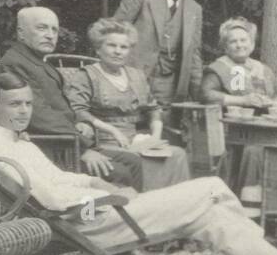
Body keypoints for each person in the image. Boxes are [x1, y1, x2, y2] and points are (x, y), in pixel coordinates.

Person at [0, 73, 277, 255]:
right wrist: (105, 193)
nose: (24, 111)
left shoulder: (13, 141)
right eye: (14, 105)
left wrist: (91, 179)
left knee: (215, 217)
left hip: (94, 213)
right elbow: (54, 201)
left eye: (27, 103)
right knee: (212, 188)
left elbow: (57, 179)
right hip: (91, 222)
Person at [0, 6, 142, 188]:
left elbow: (63, 109)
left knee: (133, 161)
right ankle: (106, 215)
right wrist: (83, 149)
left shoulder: (40, 63)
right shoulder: (14, 63)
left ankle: (135, 213)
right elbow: (38, 116)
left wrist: (81, 123)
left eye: (54, 30)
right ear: (21, 33)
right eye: (42, 28)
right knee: (120, 172)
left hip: (66, 143)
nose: (50, 35)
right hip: (49, 150)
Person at [63, 18, 191, 190]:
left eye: (123, 47)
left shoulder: (136, 75)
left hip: (136, 140)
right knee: (138, 159)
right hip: (104, 142)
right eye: (111, 46)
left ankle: (175, 205)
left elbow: (152, 108)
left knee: (178, 154)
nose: (118, 52)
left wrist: (155, 136)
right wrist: (112, 130)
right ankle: (145, 205)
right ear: (98, 49)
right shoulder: (86, 75)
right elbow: (77, 111)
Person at [198, 17, 277, 206]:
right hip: (232, 130)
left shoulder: (261, 69)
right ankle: (248, 204)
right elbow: (205, 94)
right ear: (225, 46)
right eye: (233, 41)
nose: (239, 45)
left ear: (251, 44)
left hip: (265, 127)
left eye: (243, 40)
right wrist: (242, 100)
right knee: (254, 150)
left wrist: (276, 104)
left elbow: (276, 95)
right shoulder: (220, 67)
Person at [112, 0, 204, 114]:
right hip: (133, 76)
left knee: (162, 128)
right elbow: (112, 35)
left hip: (169, 84)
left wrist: (200, 95)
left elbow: (194, 55)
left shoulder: (194, 9)